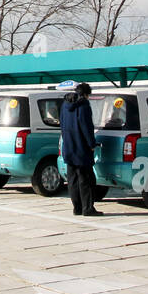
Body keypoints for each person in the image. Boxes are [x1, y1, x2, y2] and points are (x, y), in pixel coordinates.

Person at [60, 82, 101, 216]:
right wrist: (92, 144)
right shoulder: (84, 106)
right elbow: (86, 127)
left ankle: (77, 208)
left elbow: (61, 125)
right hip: (81, 148)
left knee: (72, 180)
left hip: (69, 147)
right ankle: (87, 208)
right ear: (86, 94)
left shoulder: (65, 105)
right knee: (86, 179)